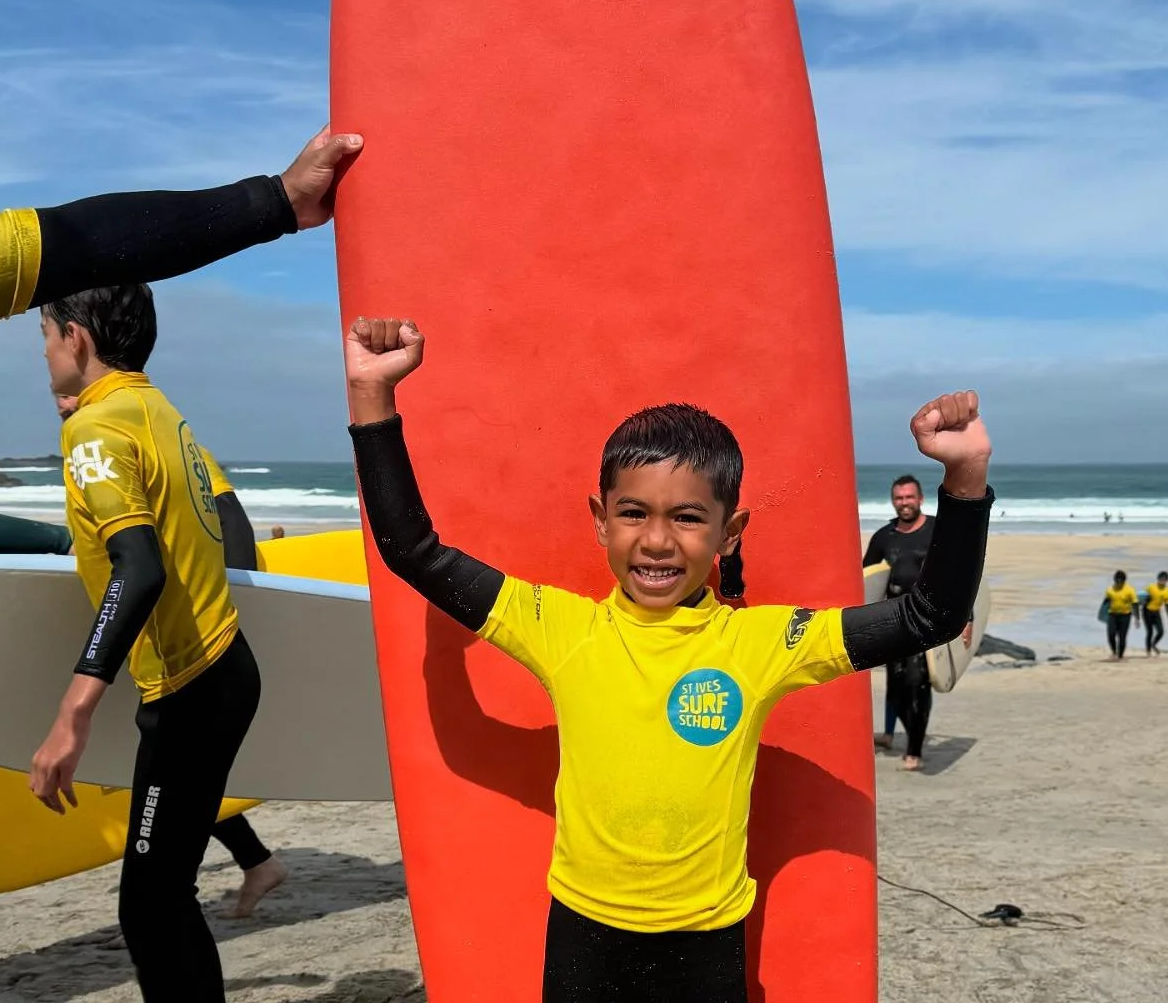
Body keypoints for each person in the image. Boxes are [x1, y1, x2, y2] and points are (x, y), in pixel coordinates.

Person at [344, 317, 991, 1003]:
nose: (656, 541)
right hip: (583, 936)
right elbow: (412, 550)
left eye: (686, 517)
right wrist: (371, 396)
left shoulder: (759, 644)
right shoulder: (559, 627)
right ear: (600, 519)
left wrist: (965, 476)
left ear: (728, 531)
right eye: (633, 513)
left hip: (706, 945)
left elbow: (931, 616)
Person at [30, 285, 261, 1000]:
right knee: (164, 895)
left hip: (190, 694)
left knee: (151, 906)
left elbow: (139, 568)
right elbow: (226, 527)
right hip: (225, 669)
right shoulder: (156, 409)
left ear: (75, 338)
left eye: (43, 336)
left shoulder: (94, 431)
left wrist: (73, 713)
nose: (42, 353)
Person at [51, 391, 287, 918]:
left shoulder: (167, 446)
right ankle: (250, 864)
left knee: (163, 823)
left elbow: (231, 521)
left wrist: (233, 604)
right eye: (57, 400)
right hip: (160, 654)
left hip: (195, 656)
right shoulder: (107, 445)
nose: (64, 401)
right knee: (173, 784)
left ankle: (210, 886)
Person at [0, 126, 362, 336]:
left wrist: (280, 201)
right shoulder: (158, 420)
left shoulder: (101, 427)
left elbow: (74, 246)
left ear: (74, 340)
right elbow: (76, 245)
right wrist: (279, 201)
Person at [861, 474, 964, 770]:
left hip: (927, 620)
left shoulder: (936, 531)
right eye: (898, 498)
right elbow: (868, 578)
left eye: (909, 497)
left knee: (917, 684)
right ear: (893, 501)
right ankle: (891, 735)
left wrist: (965, 618)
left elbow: (957, 575)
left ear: (920, 499)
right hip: (894, 619)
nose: (904, 503)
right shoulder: (884, 537)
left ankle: (915, 749)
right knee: (896, 684)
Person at [1103, 570, 1138, 660]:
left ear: (1124, 581)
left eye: (1120, 581)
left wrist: (1137, 618)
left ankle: (1120, 656)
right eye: (1117, 581)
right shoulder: (1110, 590)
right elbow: (1106, 603)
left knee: (1122, 637)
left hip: (1125, 616)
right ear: (1114, 580)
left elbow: (1135, 603)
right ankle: (1114, 652)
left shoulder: (1130, 590)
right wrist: (1102, 615)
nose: (1118, 583)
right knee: (1110, 635)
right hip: (1112, 615)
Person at [1142, 571, 1168, 656]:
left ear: (1167, 580)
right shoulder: (1151, 587)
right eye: (1160, 579)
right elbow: (1142, 599)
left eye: (1164, 580)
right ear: (1157, 579)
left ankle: (1153, 644)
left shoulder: (1167, 591)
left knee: (1161, 632)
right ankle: (1148, 651)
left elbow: (1167, 605)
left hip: (1156, 612)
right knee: (1150, 632)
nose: (1161, 581)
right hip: (1146, 611)